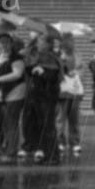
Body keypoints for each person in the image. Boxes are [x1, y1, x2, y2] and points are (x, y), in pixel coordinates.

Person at [22, 34, 62, 163]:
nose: (38, 44)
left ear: (47, 44)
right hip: (37, 96)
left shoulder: (51, 57)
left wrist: (43, 72)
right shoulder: (38, 55)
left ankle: (53, 156)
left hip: (47, 96)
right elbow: (29, 68)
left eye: (40, 42)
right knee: (40, 125)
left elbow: (53, 75)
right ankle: (46, 152)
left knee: (48, 126)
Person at [0, 35, 26, 163]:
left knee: (12, 123)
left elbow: (17, 74)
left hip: (15, 93)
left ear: (11, 44)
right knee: (6, 123)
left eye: (7, 42)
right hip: (1, 94)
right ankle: (9, 148)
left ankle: (12, 152)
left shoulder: (16, 58)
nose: (4, 45)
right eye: (2, 42)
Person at [56, 34, 83, 157]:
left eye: (72, 41)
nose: (70, 43)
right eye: (68, 41)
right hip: (62, 91)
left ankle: (75, 142)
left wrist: (76, 73)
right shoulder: (58, 54)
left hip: (74, 92)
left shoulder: (76, 55)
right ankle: (60, 141)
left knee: (74, 118)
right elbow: (56, 69)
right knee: (60, 118)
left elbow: (81, 70)